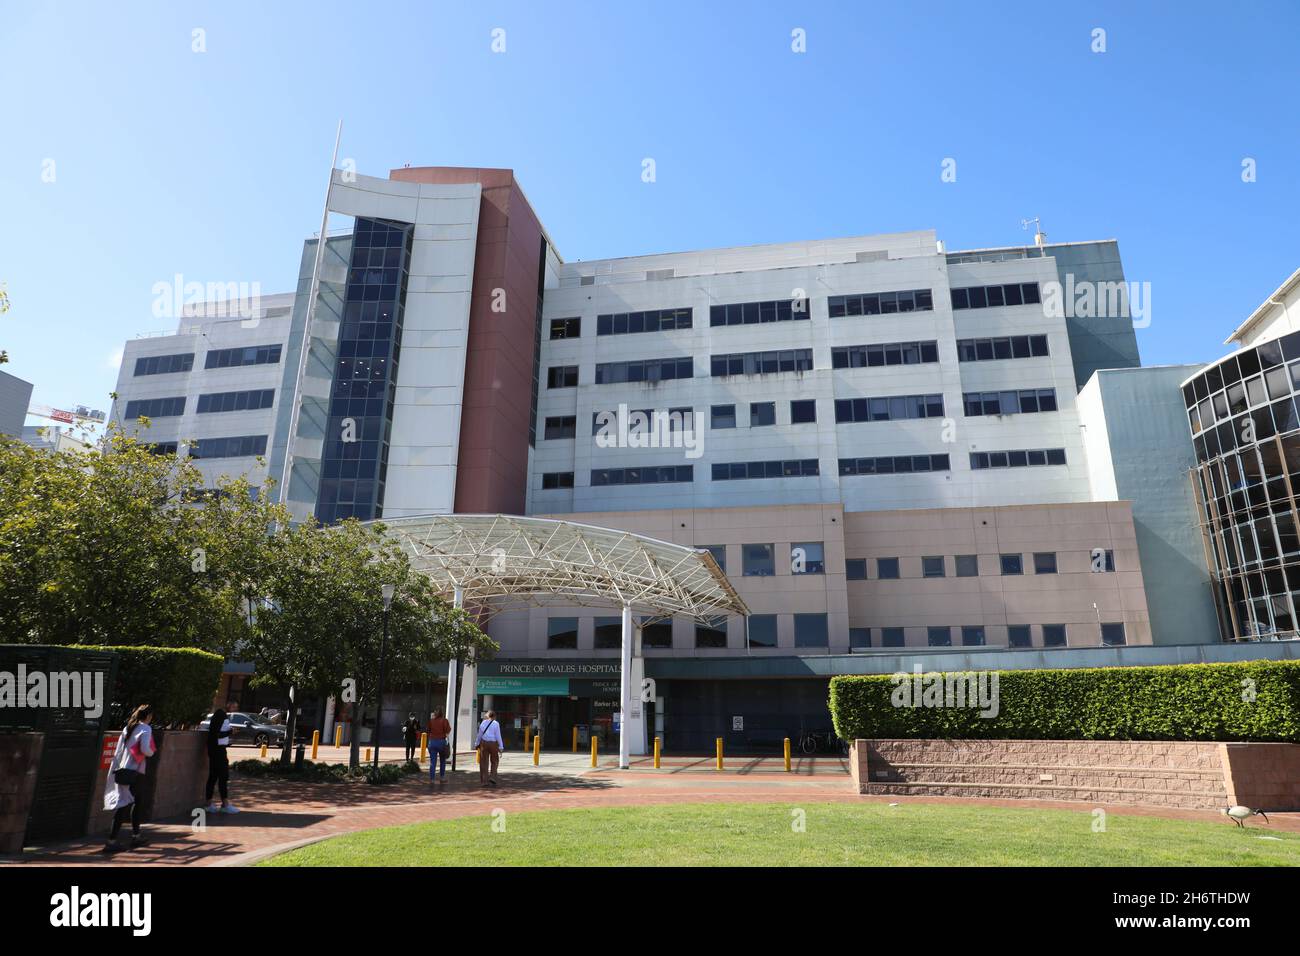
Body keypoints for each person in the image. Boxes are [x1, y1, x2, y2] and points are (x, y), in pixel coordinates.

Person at [102, 703, 157, 854]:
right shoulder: (145, 728)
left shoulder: (128, 728)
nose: (152, 719)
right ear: (148, 716)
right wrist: (151, 753)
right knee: (129, 804)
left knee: (132, 802)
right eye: (151, 716)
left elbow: (120, 750)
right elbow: (146, 749)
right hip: (136, 772)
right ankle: (113, 840)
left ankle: (135, 835)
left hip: (123, 770)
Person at [204, 708, 239, 815]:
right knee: (222, 776)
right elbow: (218, 734)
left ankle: (210, 804)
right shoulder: (221, 716)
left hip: (216, 750)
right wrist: (230, 731)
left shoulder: (219, 716)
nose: (235, 708)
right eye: (234, 705)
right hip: (218, 751)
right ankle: (224, 804)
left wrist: (229, 731)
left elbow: (217, 734)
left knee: (214, 776)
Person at [473, 710, 504, 787]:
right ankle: (493, 777)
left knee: (484, 762)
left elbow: (479, 735)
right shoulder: (496, 724)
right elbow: (498, 736)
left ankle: (484, 781)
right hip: (493, 743)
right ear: (494, 716)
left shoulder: (483, 723)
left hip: (484, 743)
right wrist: (501, 746)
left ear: (487, 716)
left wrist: (476, 743)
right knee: (495, 761)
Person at [426, 708, 451, 781]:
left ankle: (432, 779)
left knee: (432, 762)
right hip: (441, 742)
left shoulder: (431, 721)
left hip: (432, 742)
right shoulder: (444, 721)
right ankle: (442, 777)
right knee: (442, 761)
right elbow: (448, 731)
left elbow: (428, 730)